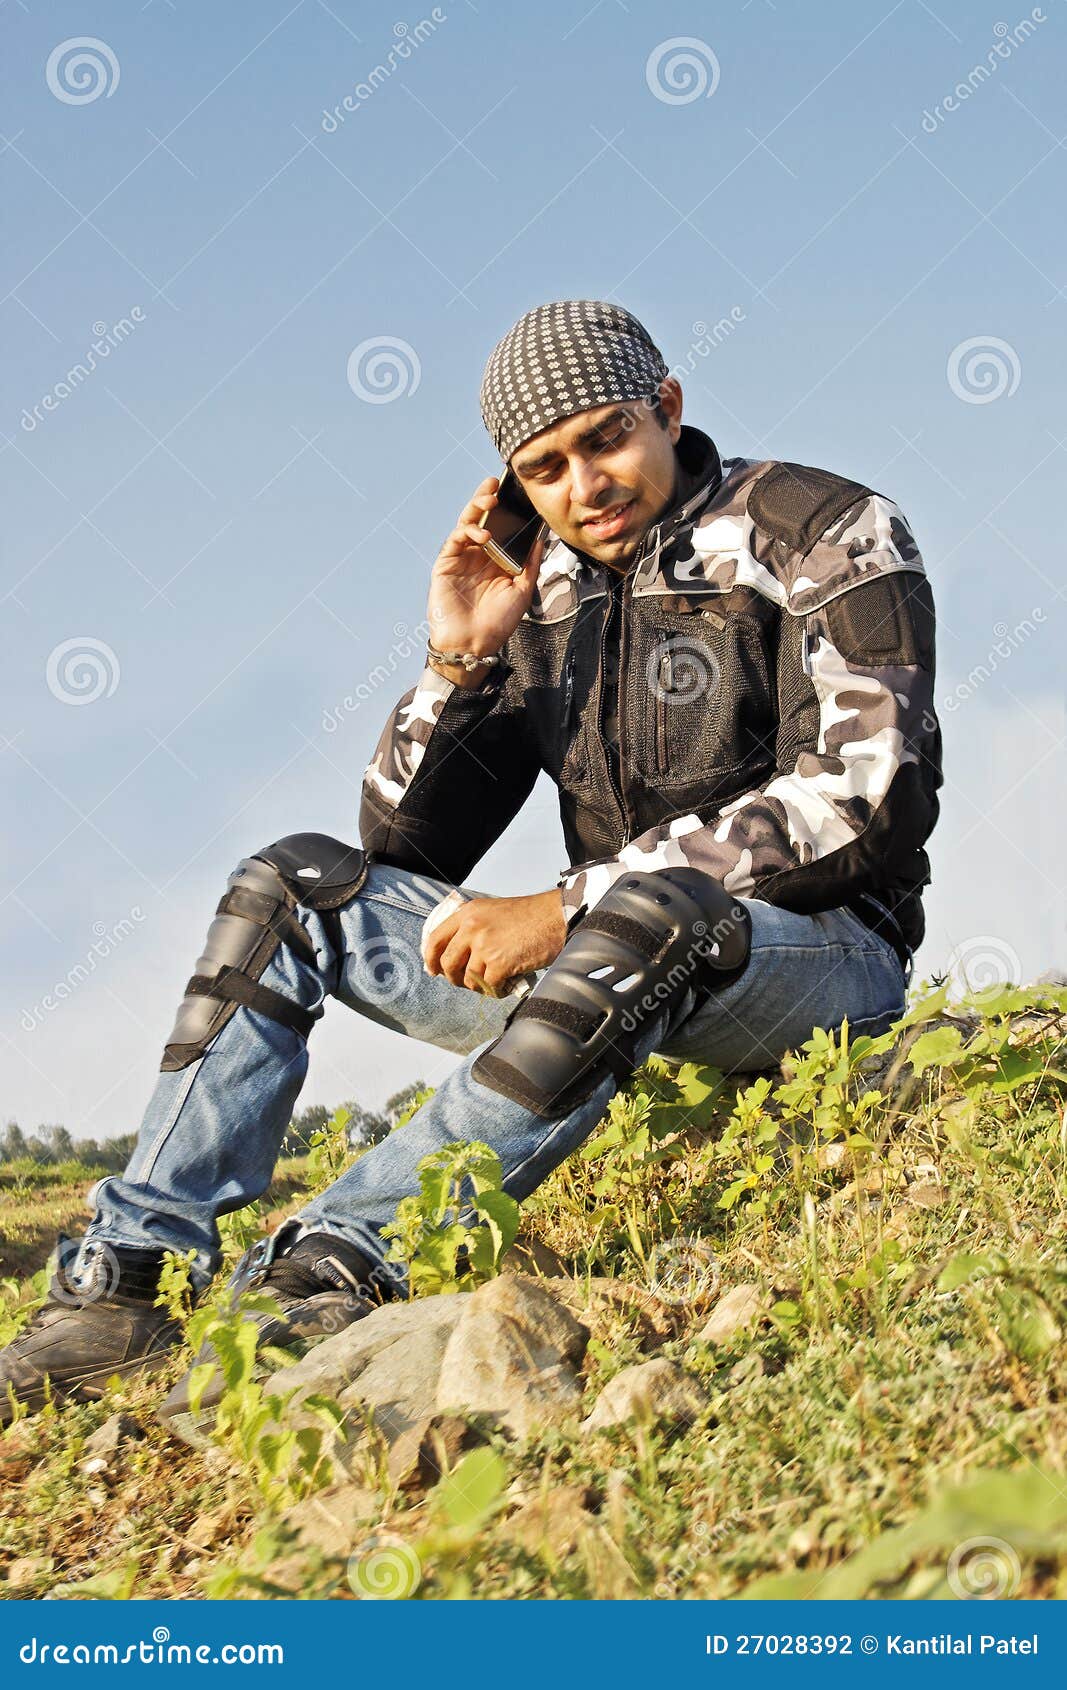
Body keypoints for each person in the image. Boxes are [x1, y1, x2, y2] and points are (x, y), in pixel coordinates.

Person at [0, 299, 942, 1429]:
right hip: (610, 977)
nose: (583, 485)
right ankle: (128, 1283)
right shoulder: (543, 589)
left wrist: (564, 906)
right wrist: (456, 657)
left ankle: (335, 1259)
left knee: (647, 911)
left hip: (818, 960)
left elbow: (861, 799)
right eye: (542, 468)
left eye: (605, 439)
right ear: (512, 480)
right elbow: (400, 854)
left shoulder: (822, 524)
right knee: (292, 886)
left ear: (667, 408)